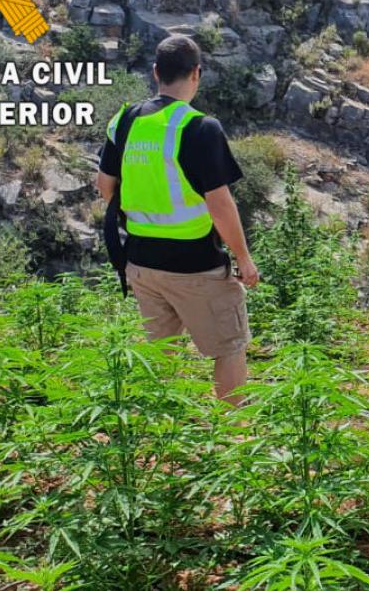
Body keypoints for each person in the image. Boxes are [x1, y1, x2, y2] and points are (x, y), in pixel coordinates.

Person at [95, 35, 260, 406]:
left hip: (140, 262)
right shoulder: (200, 128)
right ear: (196, 74)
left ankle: (159, 439)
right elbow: (221, 205)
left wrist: (140, 215)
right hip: (195, 266)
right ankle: (237, 442)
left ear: (156, 73)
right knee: (229, 346)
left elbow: (105, 186)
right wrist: (244, 259)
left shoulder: (124, 121)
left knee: (159, 356)